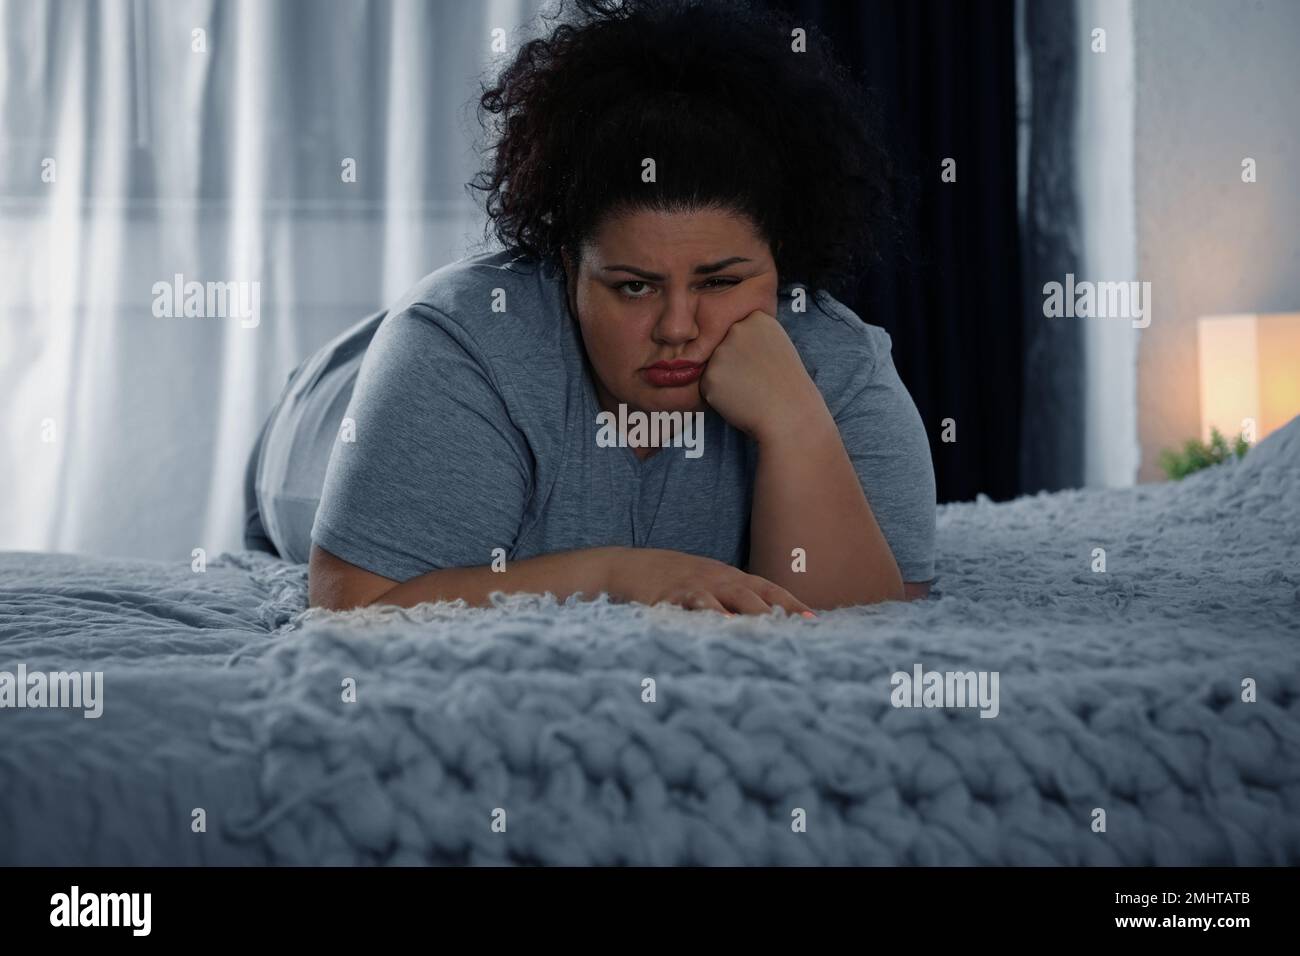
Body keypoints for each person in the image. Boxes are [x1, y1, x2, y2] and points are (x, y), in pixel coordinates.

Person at [244, 0, 936, 615]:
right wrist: (618, 574)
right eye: (634, 285)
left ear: (781, 265)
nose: (676, 328)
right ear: (568, 266)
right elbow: (354, 604)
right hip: (332, 417)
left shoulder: (842, 364)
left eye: (719, 282)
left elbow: (873, 623)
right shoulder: (457, 349)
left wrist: (796, 425)